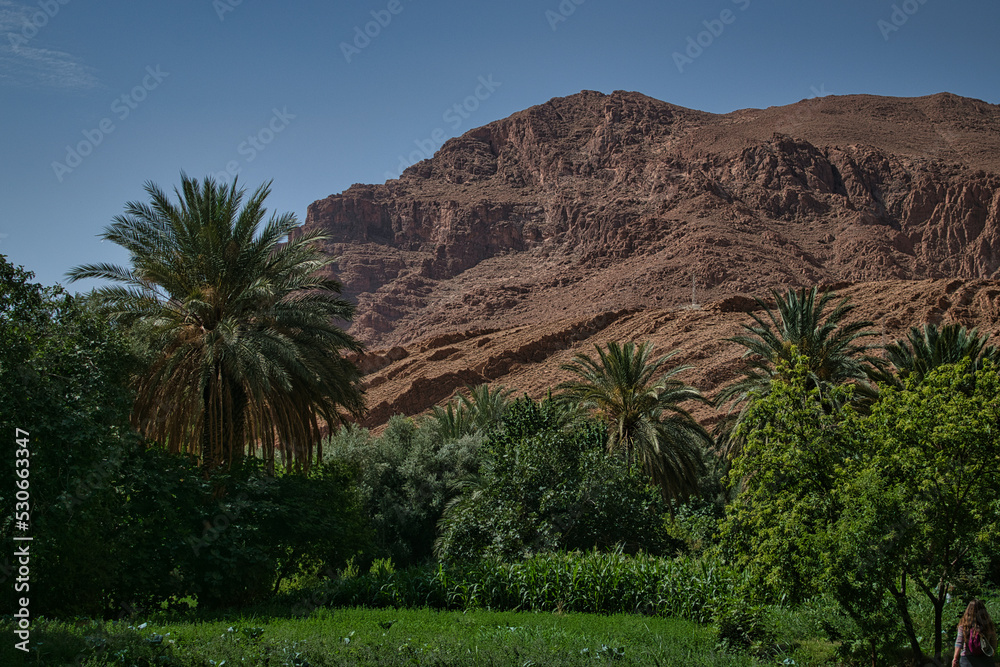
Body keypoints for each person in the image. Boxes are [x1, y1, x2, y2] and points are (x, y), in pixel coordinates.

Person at [953, 599, 997, 667]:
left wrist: (955, 659)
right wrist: (992, 652)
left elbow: (959, 642)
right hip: (985, 659)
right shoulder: (988, 626)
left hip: (967, 660)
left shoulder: (964, 626)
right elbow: (993, 641)